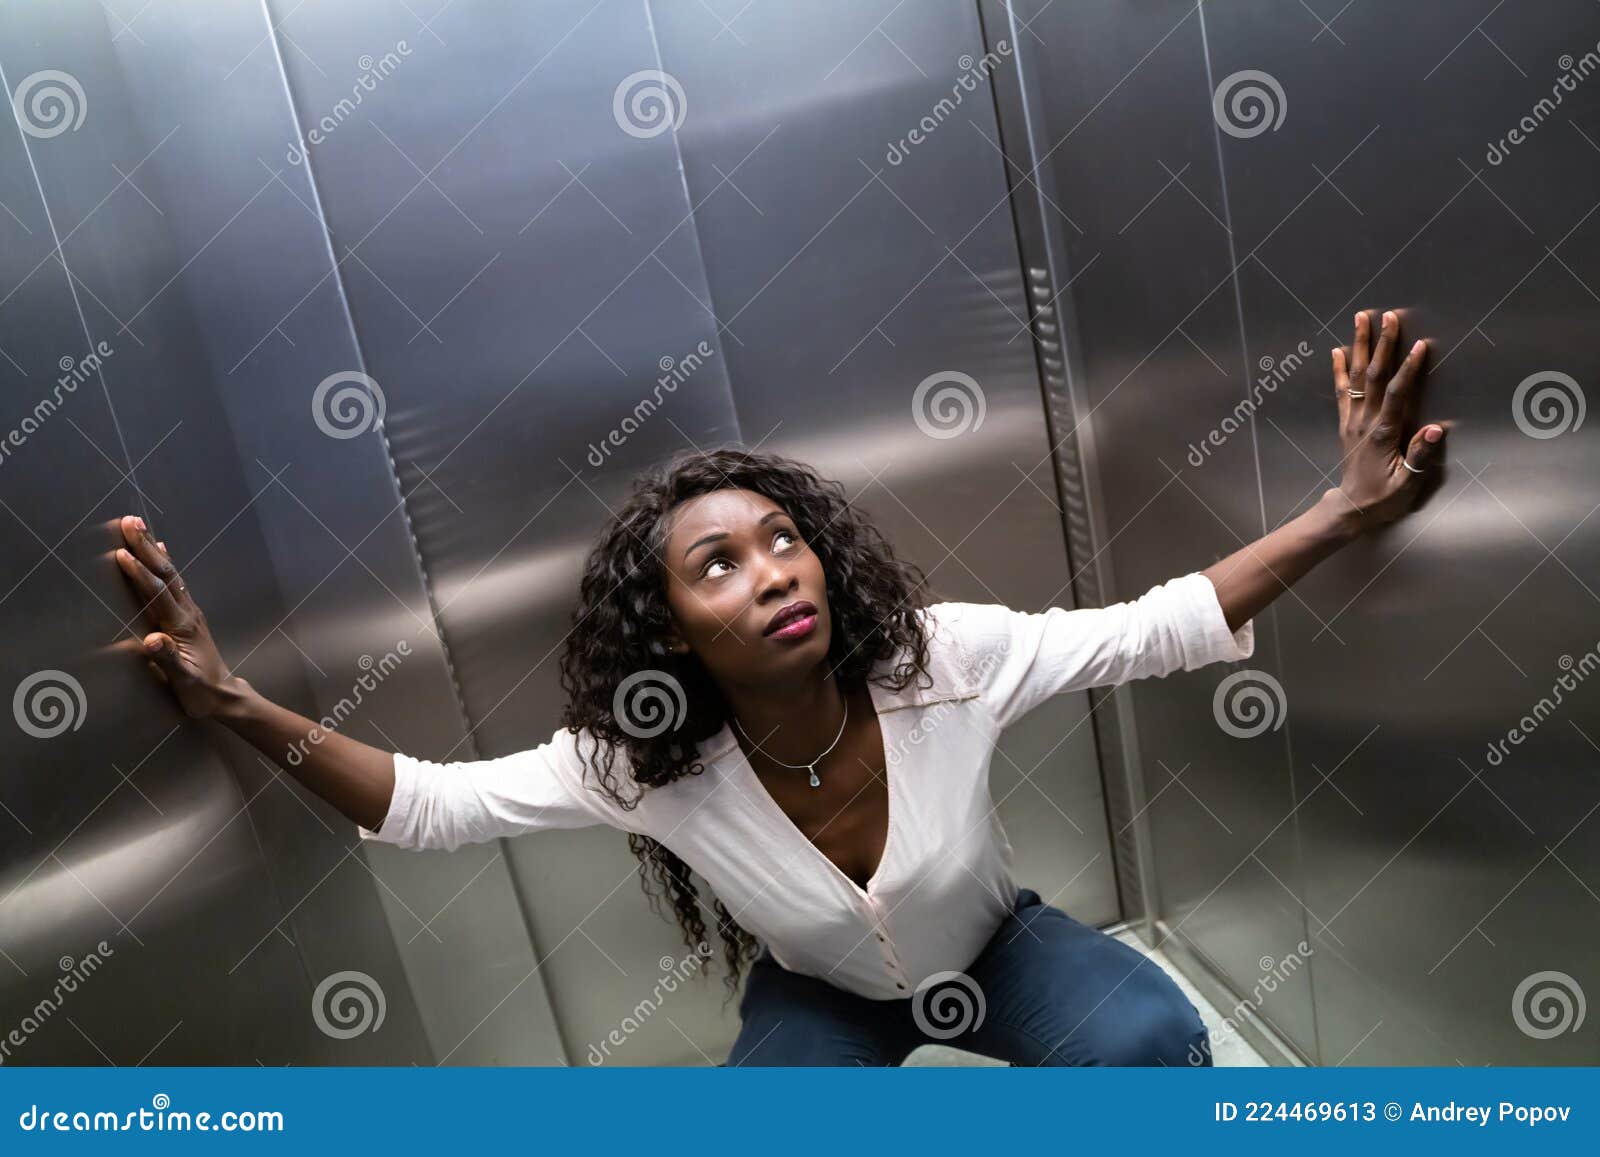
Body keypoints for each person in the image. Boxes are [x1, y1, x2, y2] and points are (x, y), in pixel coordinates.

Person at [113, 309, 1446, 1066]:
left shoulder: (942, 660)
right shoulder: (641, 759)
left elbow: (1156, 627)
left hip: (997, 951)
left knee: (1149, 1041)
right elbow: (429, 804)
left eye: (783, 540)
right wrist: (234, 703)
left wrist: (1345, 510)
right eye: (719, 565)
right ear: (672, 630)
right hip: (825, 1000)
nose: (771, 573)